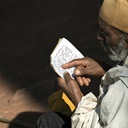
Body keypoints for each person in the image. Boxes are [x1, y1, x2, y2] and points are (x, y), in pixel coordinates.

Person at [36, 0, 128, 127]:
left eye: (106, 33)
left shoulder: (123, 89)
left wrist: (77, 98)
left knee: (48, 122)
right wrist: (105, 70)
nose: (99, 37)